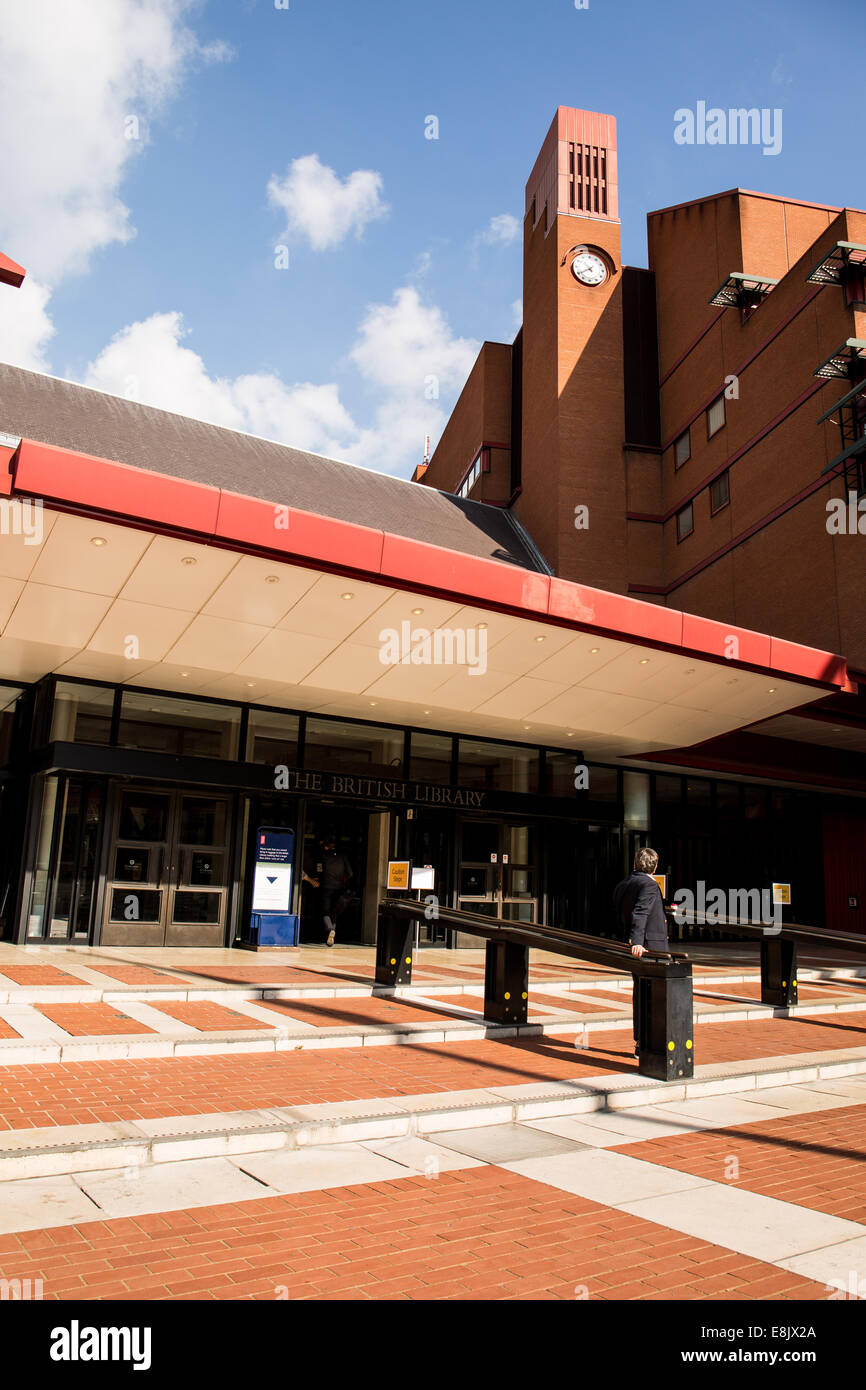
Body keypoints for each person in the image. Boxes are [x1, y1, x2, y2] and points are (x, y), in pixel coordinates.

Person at [613, 847, 668, 1057]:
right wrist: (637, 941)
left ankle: (641, 1040)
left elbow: (621, 912)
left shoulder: (624, 884)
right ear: (654, 867)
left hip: (634, 944)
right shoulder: (649, 885)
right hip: (650, 947)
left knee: (641, 993)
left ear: (635, 864)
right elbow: (641, 912)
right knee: (653, 995)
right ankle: (649, 1042)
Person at [319, 836, 353, 947]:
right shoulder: (342, 856)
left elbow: (318, 870)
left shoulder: (323, 856)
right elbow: (350, 873)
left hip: (326, 886)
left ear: (326, 847)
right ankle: (332, 931)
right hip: (339, 887)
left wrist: (319, 877)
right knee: (334, 911)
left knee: (325, 911)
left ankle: (330, 930)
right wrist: (343, 879)